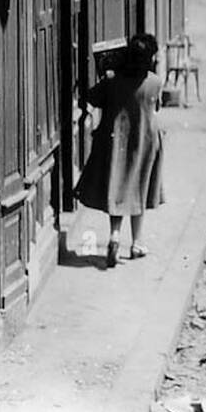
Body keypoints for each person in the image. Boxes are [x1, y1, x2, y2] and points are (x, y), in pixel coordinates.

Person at [76, 35, 166, 266]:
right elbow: (155, 108)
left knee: (118, 188)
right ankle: (136, 243)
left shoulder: (112, 82)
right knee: (139, 188)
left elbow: (91, 98)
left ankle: (115, 235)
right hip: (145, 141)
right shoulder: (155, 82)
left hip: (117, 142)